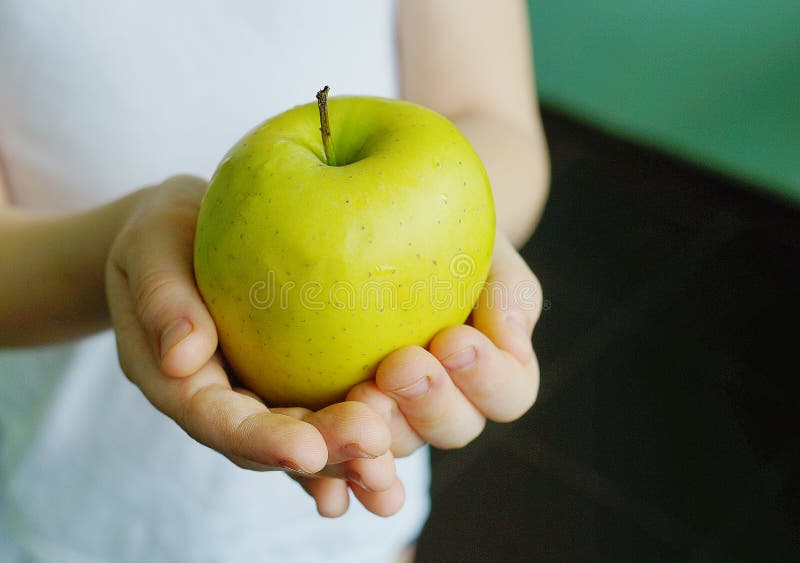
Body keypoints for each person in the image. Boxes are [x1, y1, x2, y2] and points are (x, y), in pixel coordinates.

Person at [0, 0, 549, 561]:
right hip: (64, 507)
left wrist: (459, 237)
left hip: (350, 517)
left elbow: (491, 116)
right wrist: (124, 249)